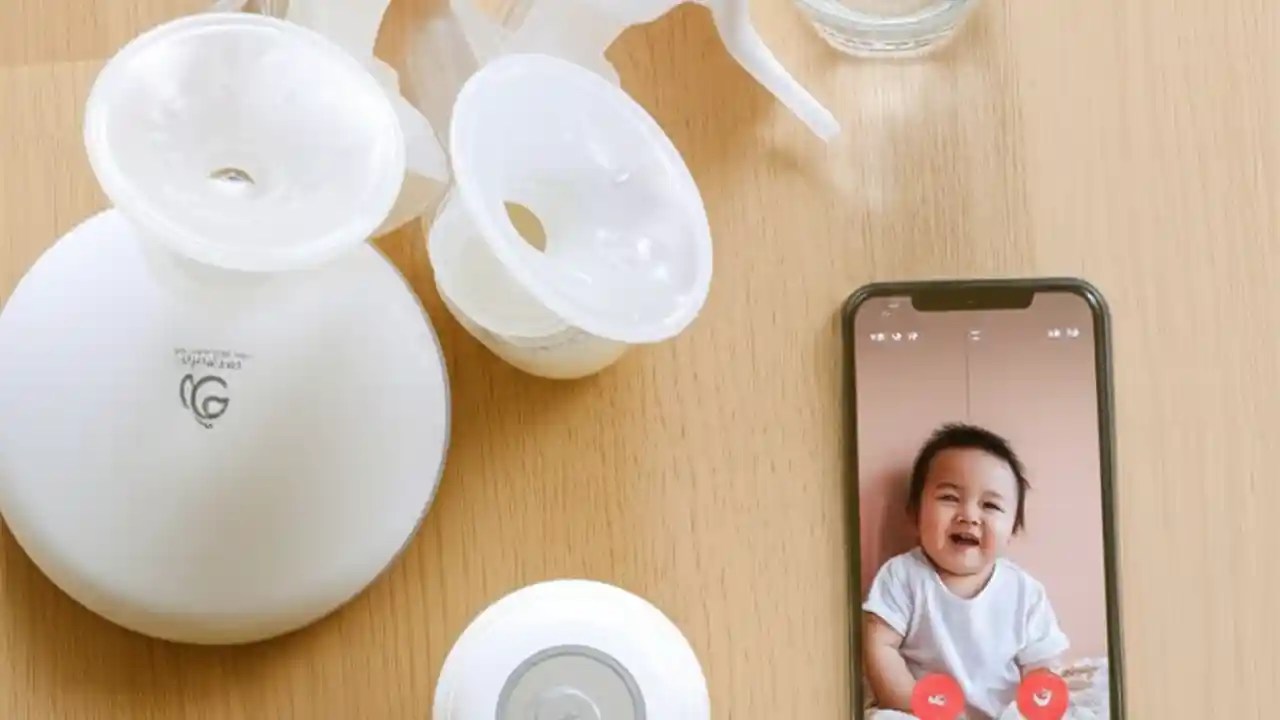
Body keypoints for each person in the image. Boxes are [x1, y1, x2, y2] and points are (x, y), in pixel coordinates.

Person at [863, 423, 1069, 720]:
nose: (969, 516)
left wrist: (1036, 703)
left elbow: (1042, 666)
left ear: (1012, 529)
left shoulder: (1024, 592)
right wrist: (911, 704)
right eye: (949, 498)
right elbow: (880, 646)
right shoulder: (902, 576)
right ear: (914, 512)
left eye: (990, 505)